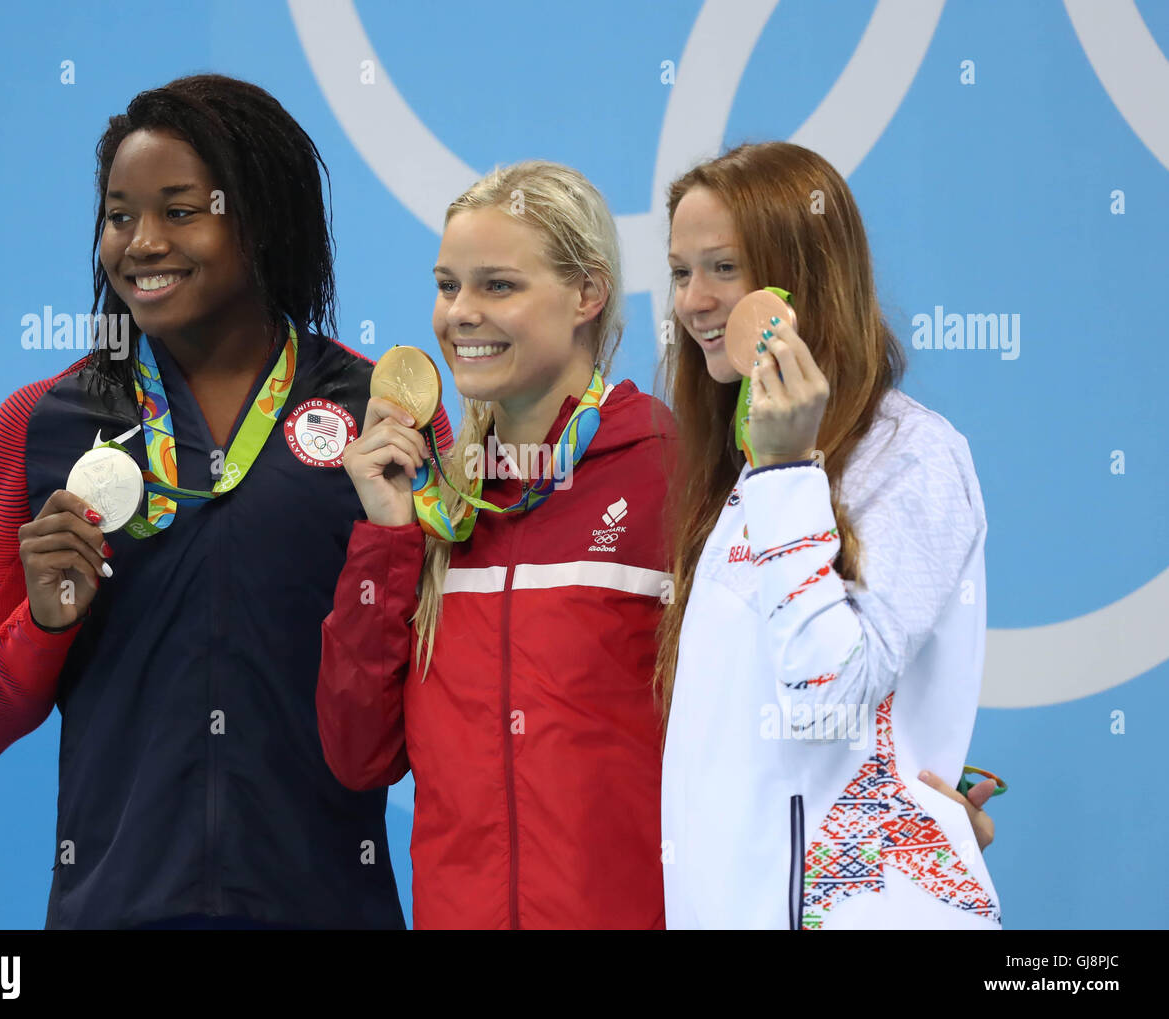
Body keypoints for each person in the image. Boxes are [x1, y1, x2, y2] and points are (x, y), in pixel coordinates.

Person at [0, 74, 448, 929]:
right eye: (119, 214)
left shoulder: (380, 423)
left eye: (179, 211)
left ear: (261, 217)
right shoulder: (41, 426)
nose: (140, 243)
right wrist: (44, 625)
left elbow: (431, 711)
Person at [316, 161, 676, 929]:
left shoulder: (668, 473)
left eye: (498, 286)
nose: (460, 314)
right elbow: (359, 754)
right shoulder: (440, 500)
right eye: (448, 286)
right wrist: (385, 535)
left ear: (588, 294)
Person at [656, 141, 1002, 929]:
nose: (694, 302)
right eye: (680, 272)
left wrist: (786, 476)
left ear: (802, 276)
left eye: (724, 268)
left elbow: (826, 699)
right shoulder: (739, 474)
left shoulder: (912, 456)